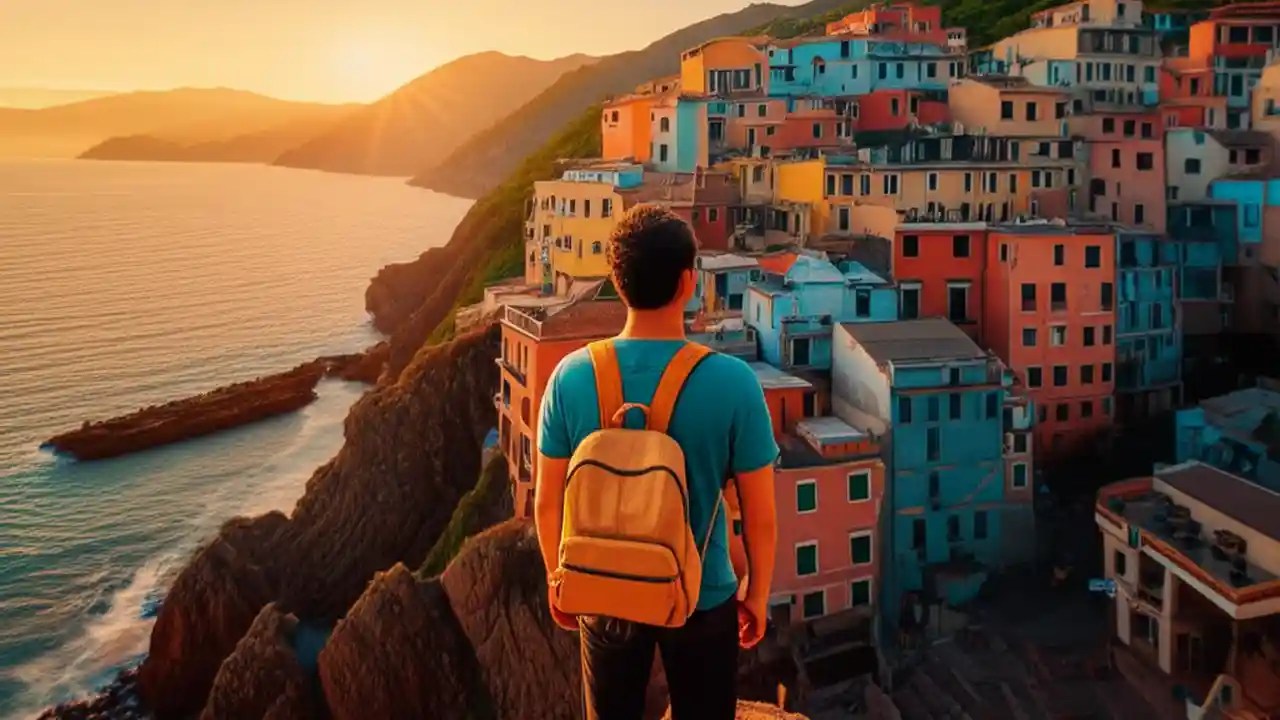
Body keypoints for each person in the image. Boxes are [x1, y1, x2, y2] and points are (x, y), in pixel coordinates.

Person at [534, 204, 779, 720]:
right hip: (702, 592)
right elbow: (760, 516)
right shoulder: (734, 383)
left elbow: (548, 501)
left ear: (616, 280)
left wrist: (558, 574)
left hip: (601, 584)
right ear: (688, 282)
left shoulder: (570, 376)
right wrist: (757, 596)